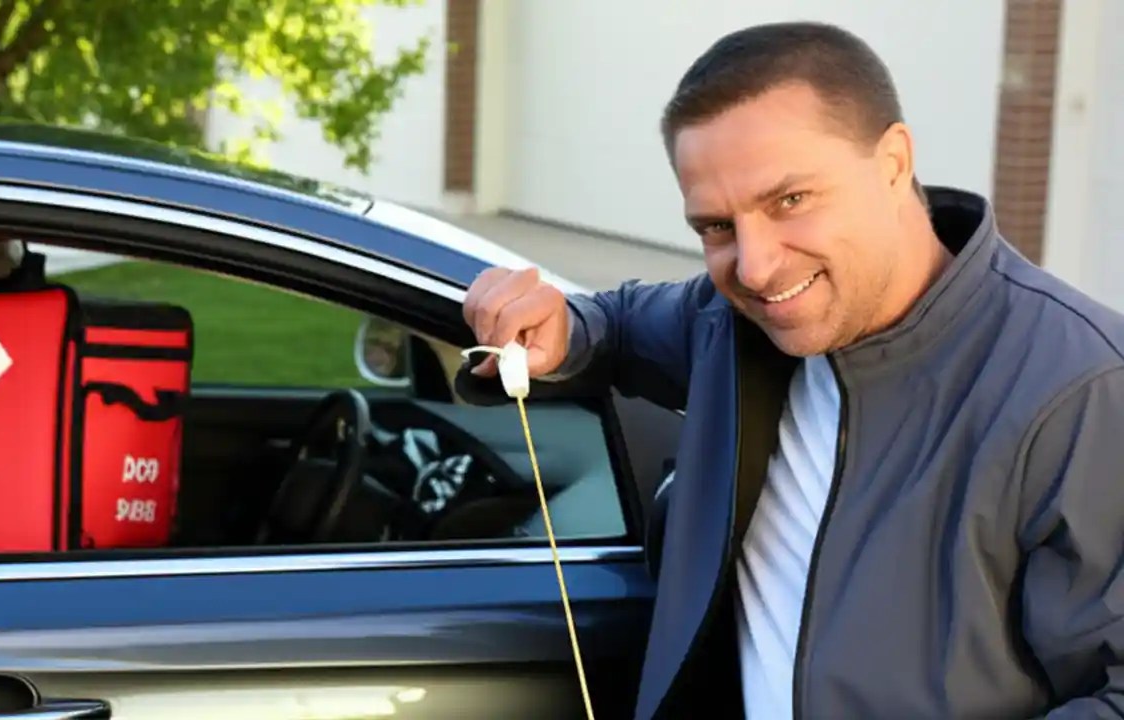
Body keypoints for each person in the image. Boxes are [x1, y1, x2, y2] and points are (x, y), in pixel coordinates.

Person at [459, 20, 1124, 720]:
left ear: (893, 162)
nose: (753, 266)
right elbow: (616, 327)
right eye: (716, 226)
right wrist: (557, 327)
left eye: (790, 201)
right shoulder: (730, 321)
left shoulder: (1083, 390)